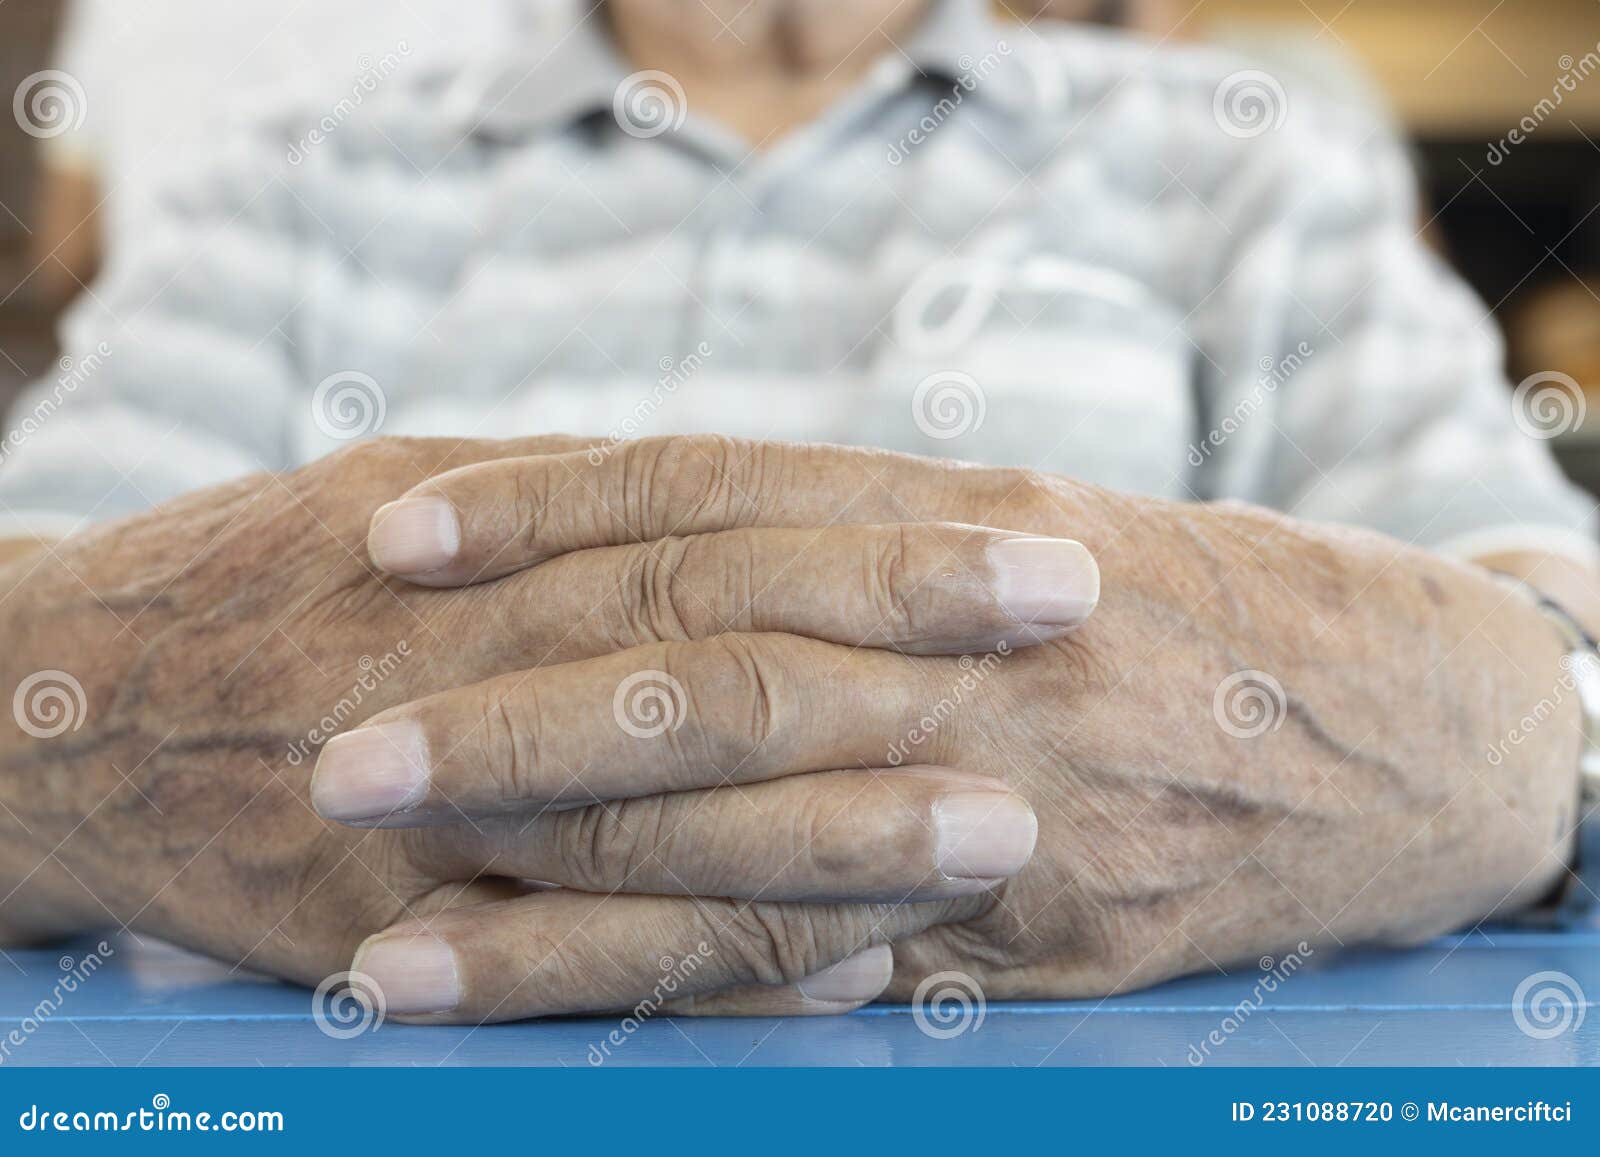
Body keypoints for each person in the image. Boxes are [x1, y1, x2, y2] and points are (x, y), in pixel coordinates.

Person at [0, 0, 1594, 1023]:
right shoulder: (300, 177)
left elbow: (1538, 644)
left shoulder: (1240, 154)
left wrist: (1245, 715)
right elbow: (30, 640)